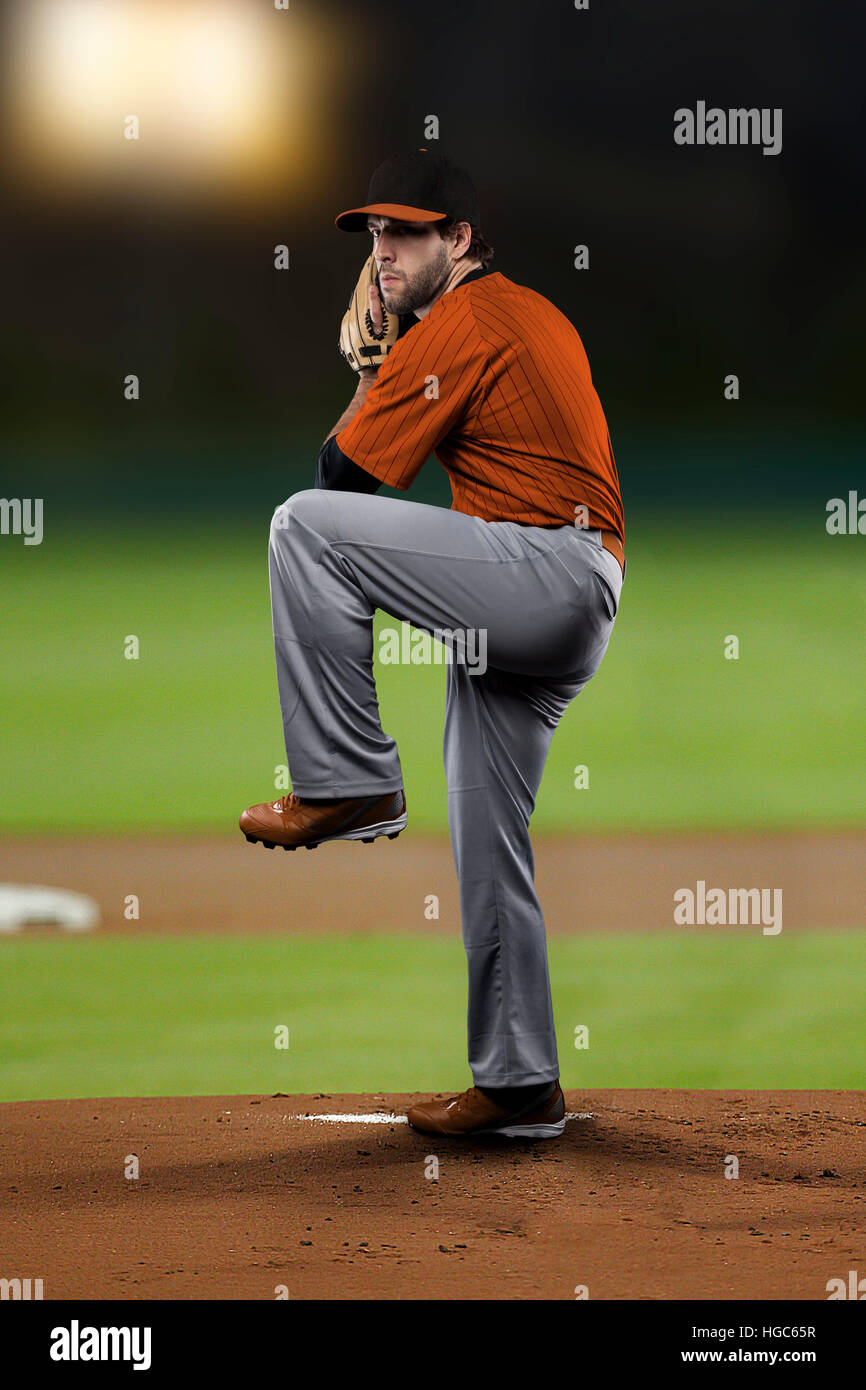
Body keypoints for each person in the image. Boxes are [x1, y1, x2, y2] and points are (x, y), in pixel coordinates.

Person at [240, 150, 625, 1140]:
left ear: (458, 240)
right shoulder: (501, 316)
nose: (382, 251)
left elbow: (343, 482)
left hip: (544, 571)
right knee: (487, 835)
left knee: (299, 524)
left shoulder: (469, 316)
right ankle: (519, 1083)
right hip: (553, 587)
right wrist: (386, 363)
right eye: (373, 233)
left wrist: (373, 364)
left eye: (405, 231)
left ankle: (347, 778)